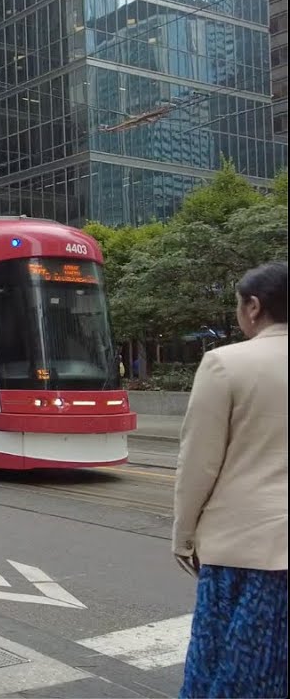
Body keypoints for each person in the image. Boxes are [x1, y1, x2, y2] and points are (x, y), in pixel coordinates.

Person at [174, 260, 287, 699]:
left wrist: (184, 537)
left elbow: (198, 463)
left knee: (229, 668)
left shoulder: (224, 363)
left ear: (254, 307)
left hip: (244, 552)